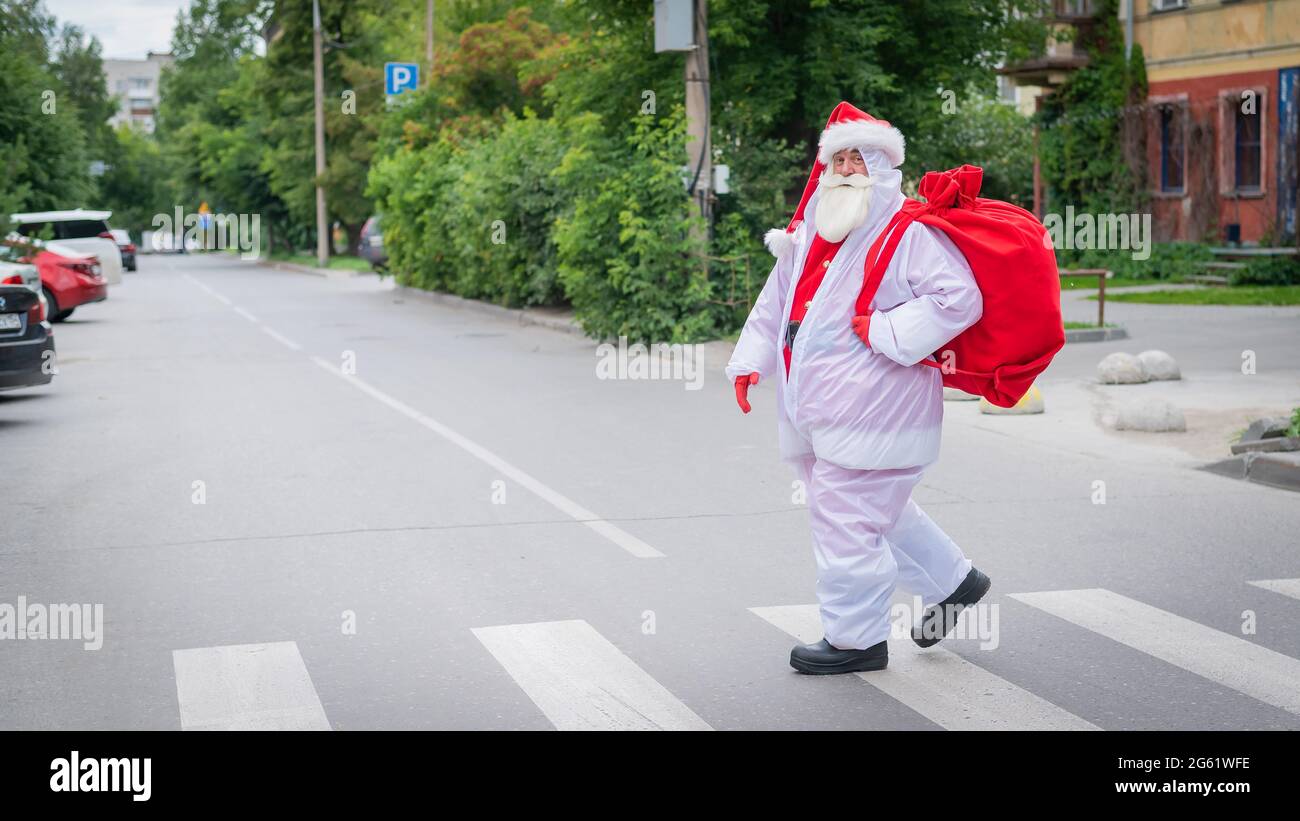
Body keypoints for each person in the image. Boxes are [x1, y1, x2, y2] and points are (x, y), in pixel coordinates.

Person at [727, 102, 992, 675]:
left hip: (879, 407)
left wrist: (889, 332)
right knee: (874, 509)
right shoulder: (813, 229)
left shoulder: (908, 231)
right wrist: (751, 361)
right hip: (819, 406)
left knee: (843, 513)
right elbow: (777, 303)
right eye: (838, 158)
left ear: (882, 165)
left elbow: (959, 298)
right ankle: (955, 582)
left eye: (858, 158)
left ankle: (856, 640)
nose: (847, 168)